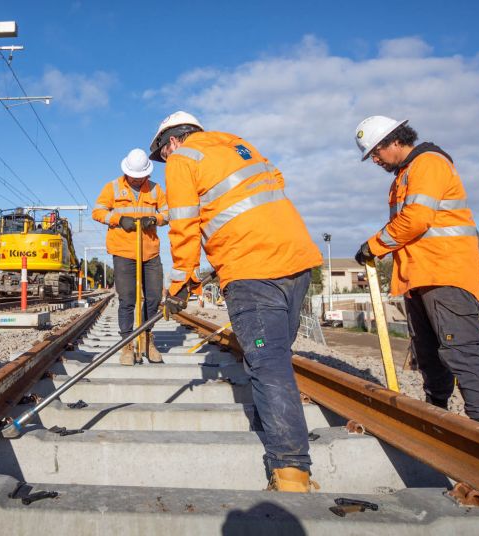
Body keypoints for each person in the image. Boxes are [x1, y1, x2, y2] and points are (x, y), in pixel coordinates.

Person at [153, 111, 323, 492]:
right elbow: (276, 182)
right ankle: (273, 427)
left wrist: (181, 279)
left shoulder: (183, 158)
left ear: (172, 141)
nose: (165, 162)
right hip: (297, 259)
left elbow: (184, 222)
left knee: (267, 363)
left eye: (162, 154)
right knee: (275, 356)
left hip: (252, 268)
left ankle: (291, 472)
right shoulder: (239, 144)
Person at [353, 115, 479, 426]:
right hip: (419, 277)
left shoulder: (428, 164)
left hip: (445, 274)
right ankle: (436, 418)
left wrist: (374, 245)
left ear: (395, 141)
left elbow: (417, 220)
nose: (375, 159)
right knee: (429, 356)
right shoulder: (403, 176)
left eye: (376, 152)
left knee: (461, 353)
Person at [91, 148, 169, 365]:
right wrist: (118, 219)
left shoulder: (155, 189)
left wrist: (154, 219)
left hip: (149, 252)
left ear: (147, 174)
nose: (136, 180)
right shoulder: (113, 187)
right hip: (123, 251)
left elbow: (168, 212)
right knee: (127, 300)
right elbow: (97, 211)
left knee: (153, 297)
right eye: (133, 176)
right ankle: (127, 344)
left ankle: (146, 338)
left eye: (140, 176)